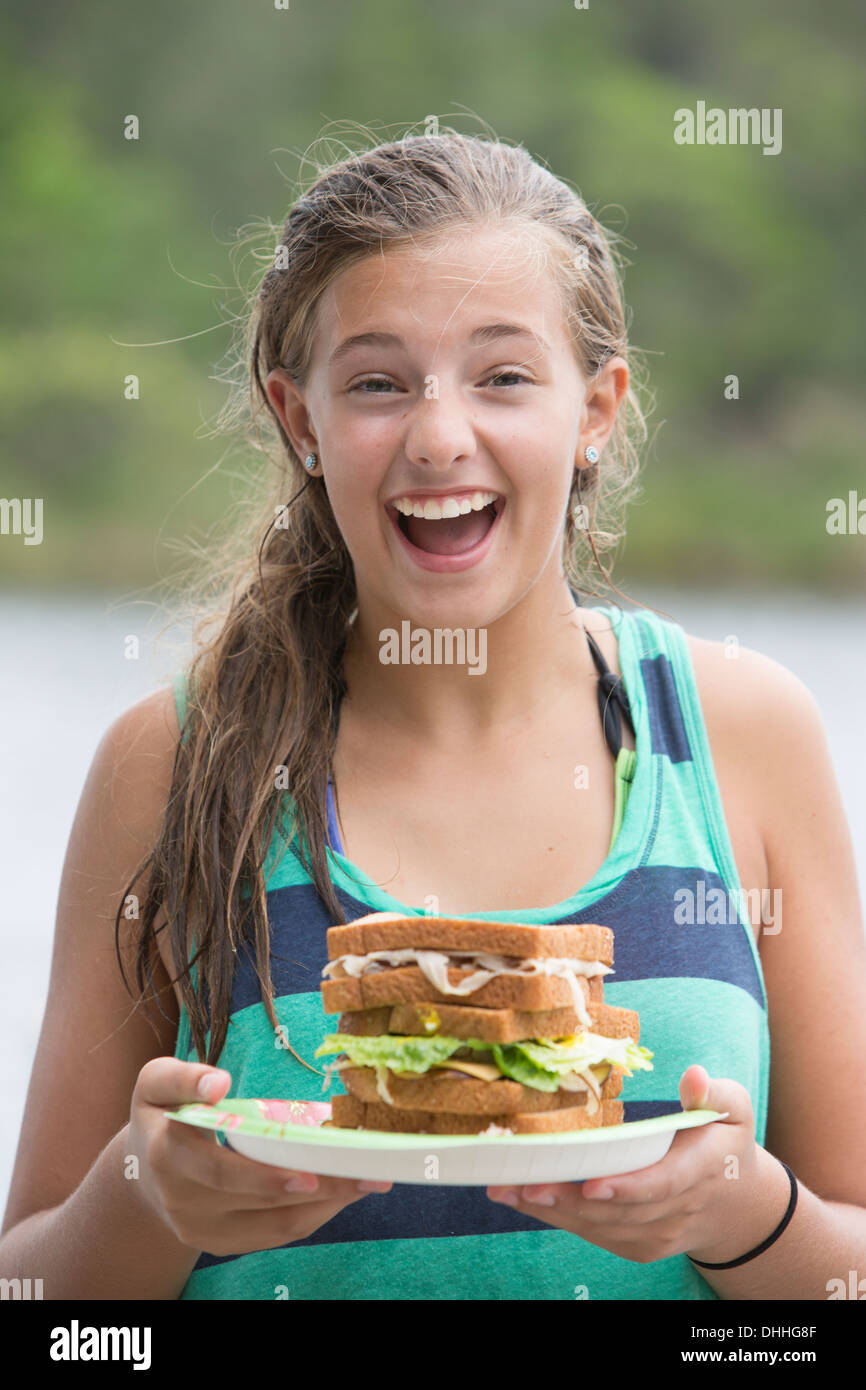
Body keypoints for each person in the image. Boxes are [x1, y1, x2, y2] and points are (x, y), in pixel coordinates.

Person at [2, 131, 865, 1302]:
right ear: (296, 420)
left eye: (502, 376)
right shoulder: (170, 763)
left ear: (596, 408)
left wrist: (745, 1219)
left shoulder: (742, 734)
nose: (438, 436)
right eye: (375, 381)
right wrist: (147, 1194)